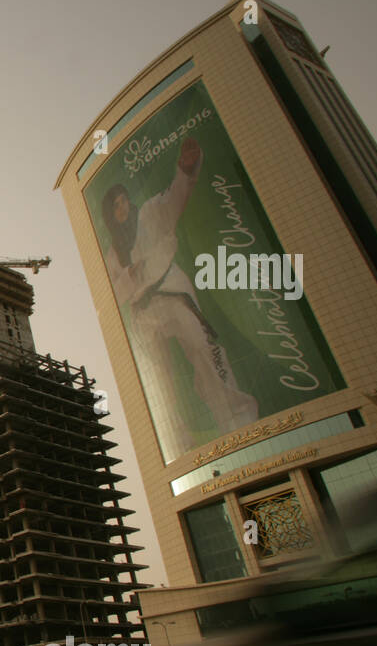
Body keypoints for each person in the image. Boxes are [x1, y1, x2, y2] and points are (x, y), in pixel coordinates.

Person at [100, 136, 260, 459]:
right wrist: (130, 276)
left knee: (204, 348)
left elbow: (173, 199)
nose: (122, 208)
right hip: (144, 311)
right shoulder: (112, 255)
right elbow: (111, 296)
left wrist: (185, 170)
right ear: (109, 215)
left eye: (123, 201)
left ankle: (237, 420)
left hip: (171, 290)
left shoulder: (147, 214)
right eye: (115, 206)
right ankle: (178, 446)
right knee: (159, 384)